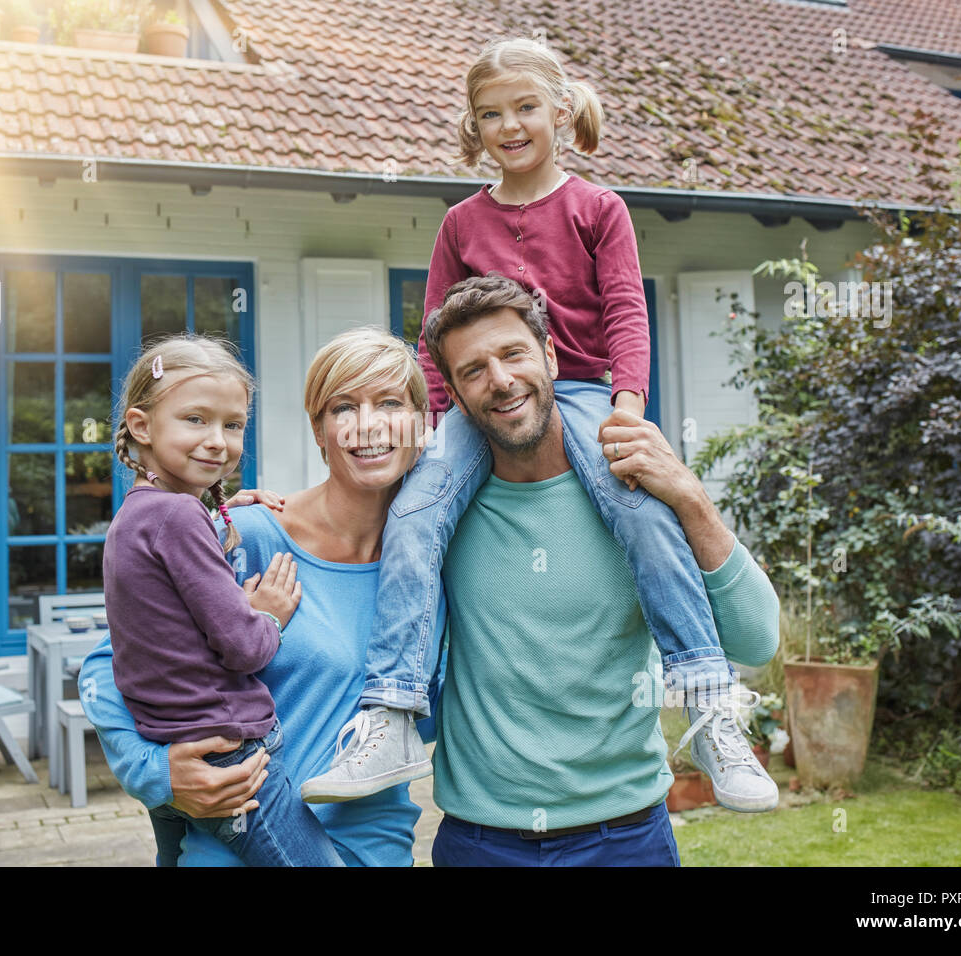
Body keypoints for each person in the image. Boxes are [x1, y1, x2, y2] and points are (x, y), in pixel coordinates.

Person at [302, 36, 778, 814]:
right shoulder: (461, 221)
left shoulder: (599, 208)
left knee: (640, 509)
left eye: (526, 108)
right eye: (491, 114)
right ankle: (389, 712)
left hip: (584, 392)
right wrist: (427, 427)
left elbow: (626, 306)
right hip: (472, 406)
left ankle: (710, 708)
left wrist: (628, 404)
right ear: (474, 127)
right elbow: (434, 333)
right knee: (416, 515)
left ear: (561, 111)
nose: (510, 125)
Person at [421, 276, 782, 865]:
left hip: (624, 838)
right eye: (474, 370)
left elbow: (757, 639)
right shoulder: (438, 513)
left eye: (513, 354)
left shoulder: (635, 498)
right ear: (457, 398)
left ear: (552, 356)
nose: (501, 380)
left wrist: (691, 497)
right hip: (480, 840)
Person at [80, 328, 444, 866]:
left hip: (372, 853)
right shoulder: (246, 535)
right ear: (319, 431)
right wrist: (156, 773)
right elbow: (110, 664)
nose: (369, 426)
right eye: (344, 407)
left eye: (390, 403)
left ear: (421, 423)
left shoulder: (436, 569)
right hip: (234, 847)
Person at [102, 333, 342, 866]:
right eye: (195, 419)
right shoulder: (179, 516)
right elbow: (243, 649)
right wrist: (268, 616)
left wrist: (216, 519)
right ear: (141, 425)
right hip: (231, 753)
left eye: (232, 425)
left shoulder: (139, 515)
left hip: (171, 743)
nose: (218, 440)